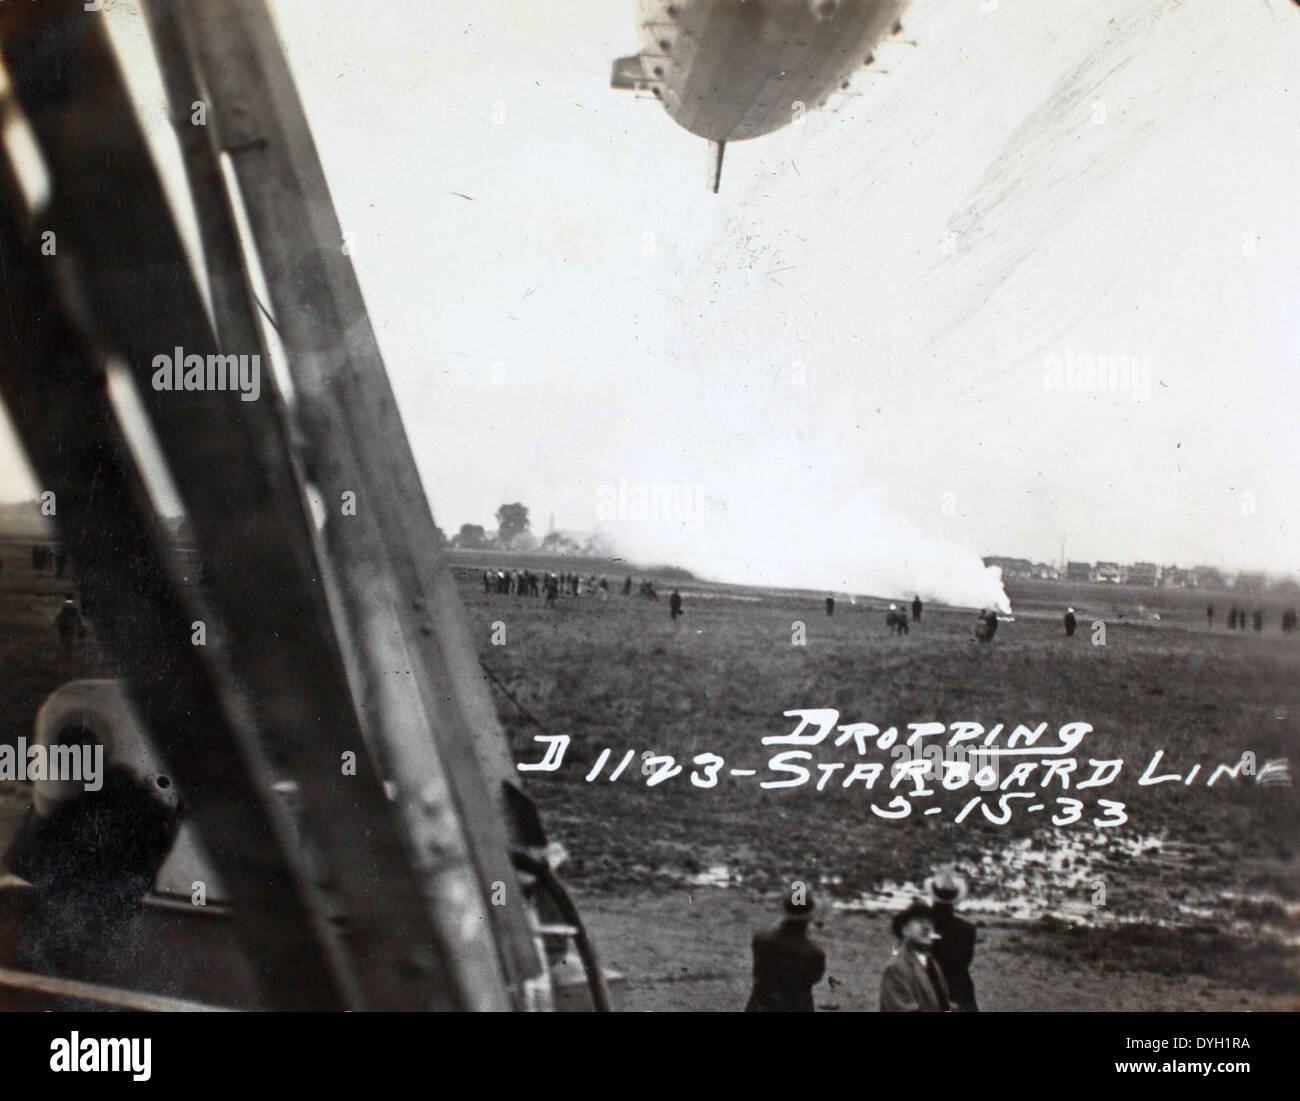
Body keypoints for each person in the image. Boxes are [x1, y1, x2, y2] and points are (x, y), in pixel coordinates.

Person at [744, 889, 825, 1012]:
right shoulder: (814, 953)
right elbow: (814, 978)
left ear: (783, 909)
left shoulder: (761, 939)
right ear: (810, 915)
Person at [880, 902, 949, 1012]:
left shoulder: (932, 963)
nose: (926, 927)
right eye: (919, 921)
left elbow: (942, 1005)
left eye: (930, 922)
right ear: (904, 930)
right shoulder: (896, 968)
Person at [925, 871, 978, 1012]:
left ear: (933, 896)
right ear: (955, 899)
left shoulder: (920, 924)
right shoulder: (967, 928)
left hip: (923, 982)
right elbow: (966, 961)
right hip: (957, 986)